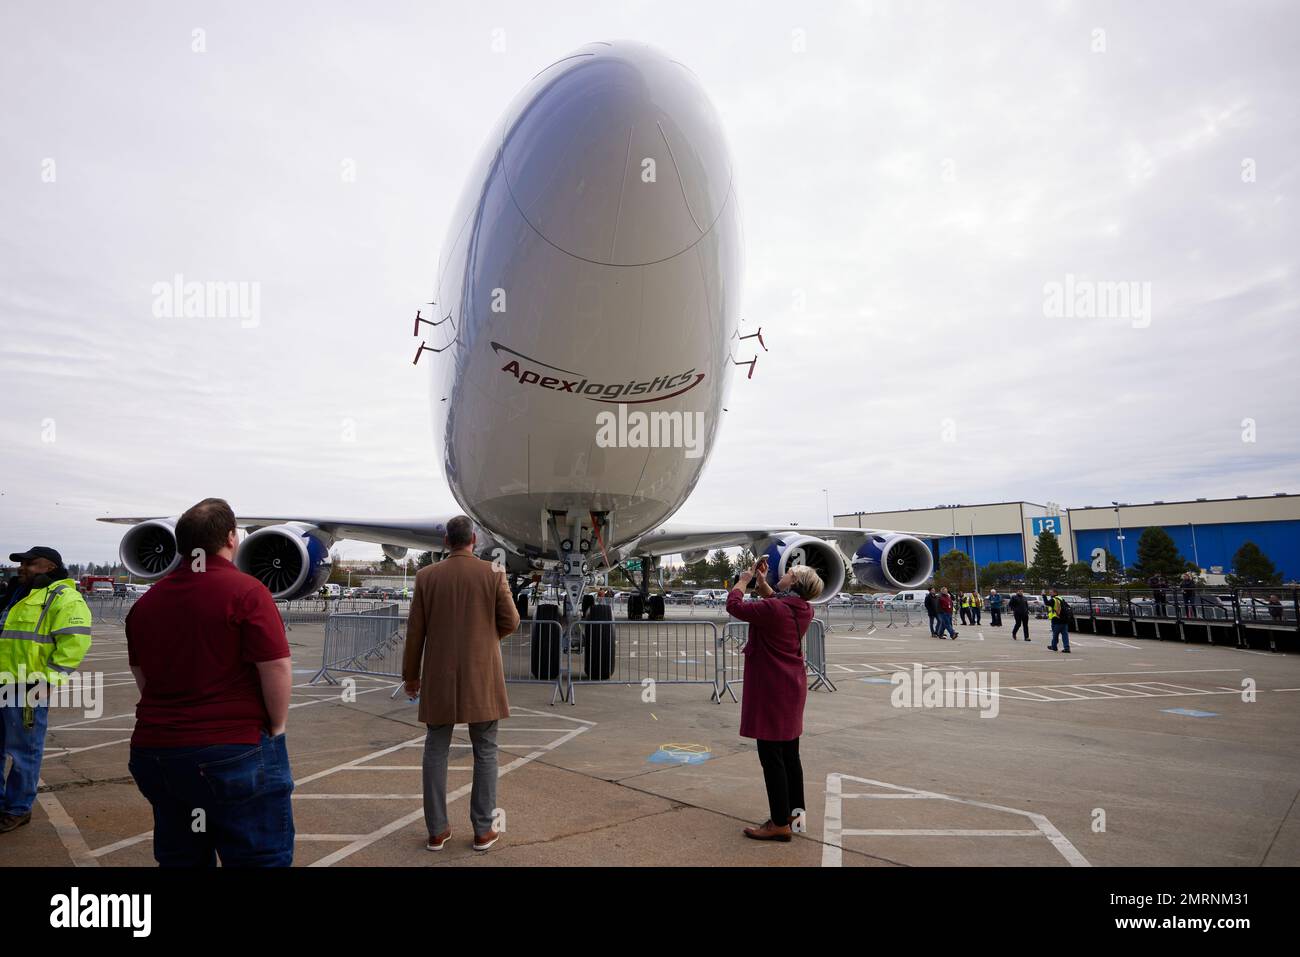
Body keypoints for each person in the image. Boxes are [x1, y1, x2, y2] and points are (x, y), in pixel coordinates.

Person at [126, 499, 293, 866]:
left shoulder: (148, 602)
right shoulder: (247, 592)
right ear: (232, 538)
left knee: (181, 856)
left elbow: (143, 677)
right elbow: (276, 667)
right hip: (231, 751)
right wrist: (276, 727)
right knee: (258, 858)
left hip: (156, 753)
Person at [404, 515, 519, 853]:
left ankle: (437, 831)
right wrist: (487, 639)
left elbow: (415, 632)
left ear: (446, 542)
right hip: (481, 675)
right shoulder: (493, 572)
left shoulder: (426, 576)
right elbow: (511, 620)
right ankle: (484, 831)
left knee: (435, 748)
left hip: (439, 675)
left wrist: (411, 676)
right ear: (475, 540)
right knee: (485, 749)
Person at [726, 556, 821, 843]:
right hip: (792, 686)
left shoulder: (776, 609)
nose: (786, 573)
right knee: (791, 755)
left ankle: (779, 823)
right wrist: (764, 583)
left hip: (771, 686)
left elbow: (734, 606)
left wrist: (744, 581)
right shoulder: (803, 609)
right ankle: (795, 816)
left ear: (795, 583)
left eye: (790, 573)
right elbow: (778, 603)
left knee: (771, 756)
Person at [0, 546, 93, 834]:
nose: (22, 568)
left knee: (24, 752)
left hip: (27, 688)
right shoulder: (16, 594)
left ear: (49, 567)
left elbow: (73, 644)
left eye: (30, 563)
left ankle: (18, 808)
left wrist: (49, 682)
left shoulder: (64, 598)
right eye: (21, 563)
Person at [1044, 588, 1072, 653]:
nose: (1049, 593)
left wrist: (1044, 596)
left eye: (1051, 592)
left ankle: (1054, 646)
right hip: (1064, 620)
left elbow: (1047, 603)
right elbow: (1067, 606)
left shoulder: (1053, 599)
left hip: (1057, 620)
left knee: (1055, 634)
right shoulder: (1061, 598)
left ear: (1055, 593)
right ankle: (1067, 648)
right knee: (1065, 635)